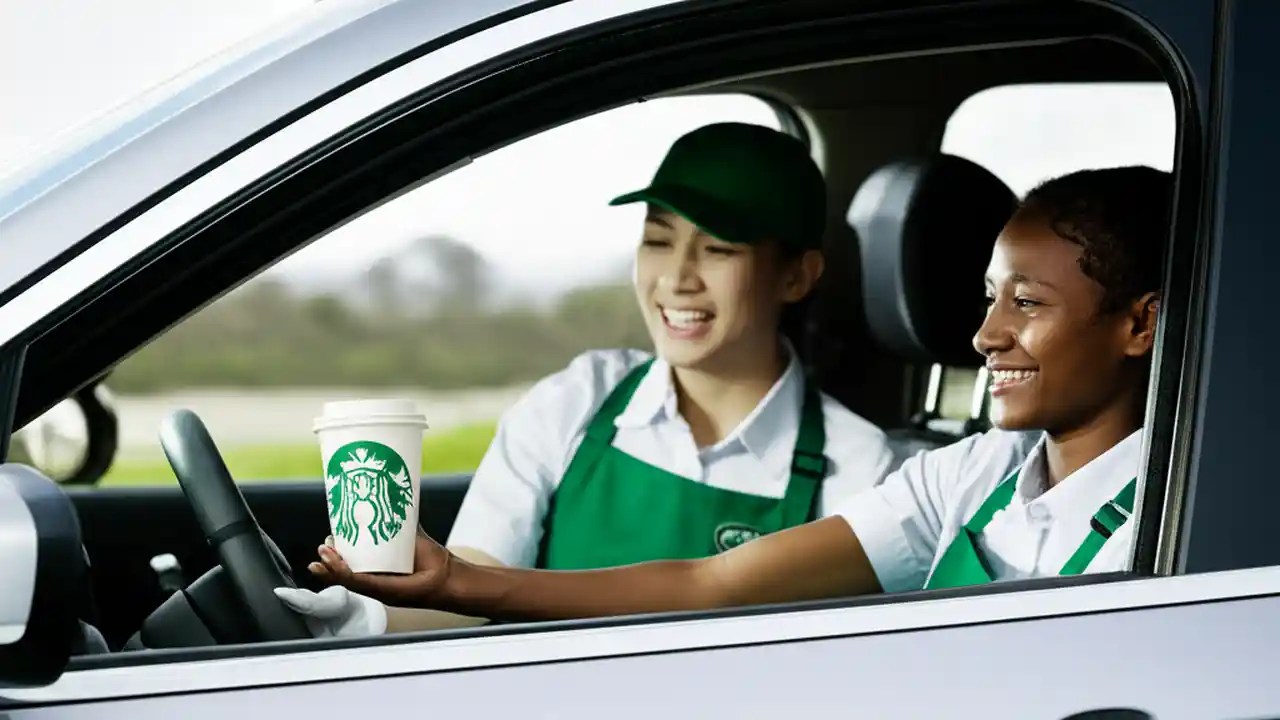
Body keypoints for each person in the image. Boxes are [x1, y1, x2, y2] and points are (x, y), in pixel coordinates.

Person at [292, 164, 1170, 623]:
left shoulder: (1173, 517)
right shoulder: (971, 475)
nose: (986, 336)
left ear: (1140, 325)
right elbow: (714, 585)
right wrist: (458, 584)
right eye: (989, 298)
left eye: (1028, 303)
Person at [275, 123, 897, 636]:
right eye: (657, 241)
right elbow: (472, 577)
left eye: (718, 250)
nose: (676, 278)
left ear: (797, 276)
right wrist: (367, 616)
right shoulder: (577, 401)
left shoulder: (857, 465)